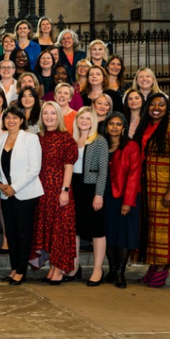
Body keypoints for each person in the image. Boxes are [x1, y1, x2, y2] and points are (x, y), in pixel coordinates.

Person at [137, 93, 170, 288]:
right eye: (153, 104)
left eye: (161, 104)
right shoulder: (146, 128)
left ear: (169, 110)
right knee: (151, 229)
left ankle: (162, 267)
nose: (156, 107)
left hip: (165, 187)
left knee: (164, 230)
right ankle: (154, 265)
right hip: (148, 187)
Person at [0, 106, 43, 286]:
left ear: (21, 120)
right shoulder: (0, 139)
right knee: (12, 233)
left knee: (24, 233)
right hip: (6, 193)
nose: (11, 121)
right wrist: (1, 185)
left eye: (15, 118)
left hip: (25, 193)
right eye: (8, 118)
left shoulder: (30, 139)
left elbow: (34, 169)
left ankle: (22, 271)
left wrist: (14, 187)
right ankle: (14, 268)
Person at [102, 113, 142, 288]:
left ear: (124, 128)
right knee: (109, 234)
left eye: (118, 124)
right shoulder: (102, 145)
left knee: (124, 236)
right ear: (106, 127)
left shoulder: (131, 146)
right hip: (105, 197)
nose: (115, 127)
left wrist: (128, 201)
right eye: (111, 124)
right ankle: (111, 269)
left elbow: (134, 175)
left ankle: (120, 272)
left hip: (125, 197)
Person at [70, 108, 109, 285]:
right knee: (74, 229)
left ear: (93, 121)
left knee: (97, 230)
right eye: (81, 118)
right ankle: (74, 267)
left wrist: (98, 194)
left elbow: (103, 171)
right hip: (74, 187)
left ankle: (97, 269)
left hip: (92, 188)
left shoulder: (99, 141)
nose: (84, 121)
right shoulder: (72, 140)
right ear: (76, 120)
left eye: (88, 118)